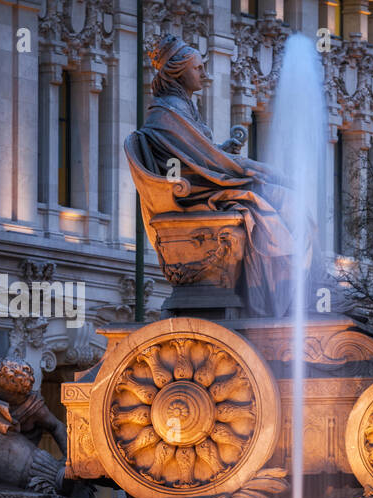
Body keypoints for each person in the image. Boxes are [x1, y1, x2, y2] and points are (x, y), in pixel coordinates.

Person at [130, 33, 311, 315]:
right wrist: (254, 168)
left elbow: (199, 157)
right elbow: (202, 162)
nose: (204, 73)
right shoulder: (166, 115)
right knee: (284, 201)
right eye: (197, 68)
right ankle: (282, 297)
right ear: (177, 72)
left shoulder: (181, 109)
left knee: (284, 199)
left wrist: (225, 152)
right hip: (198, 196)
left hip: (205, 187)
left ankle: (294, 292)